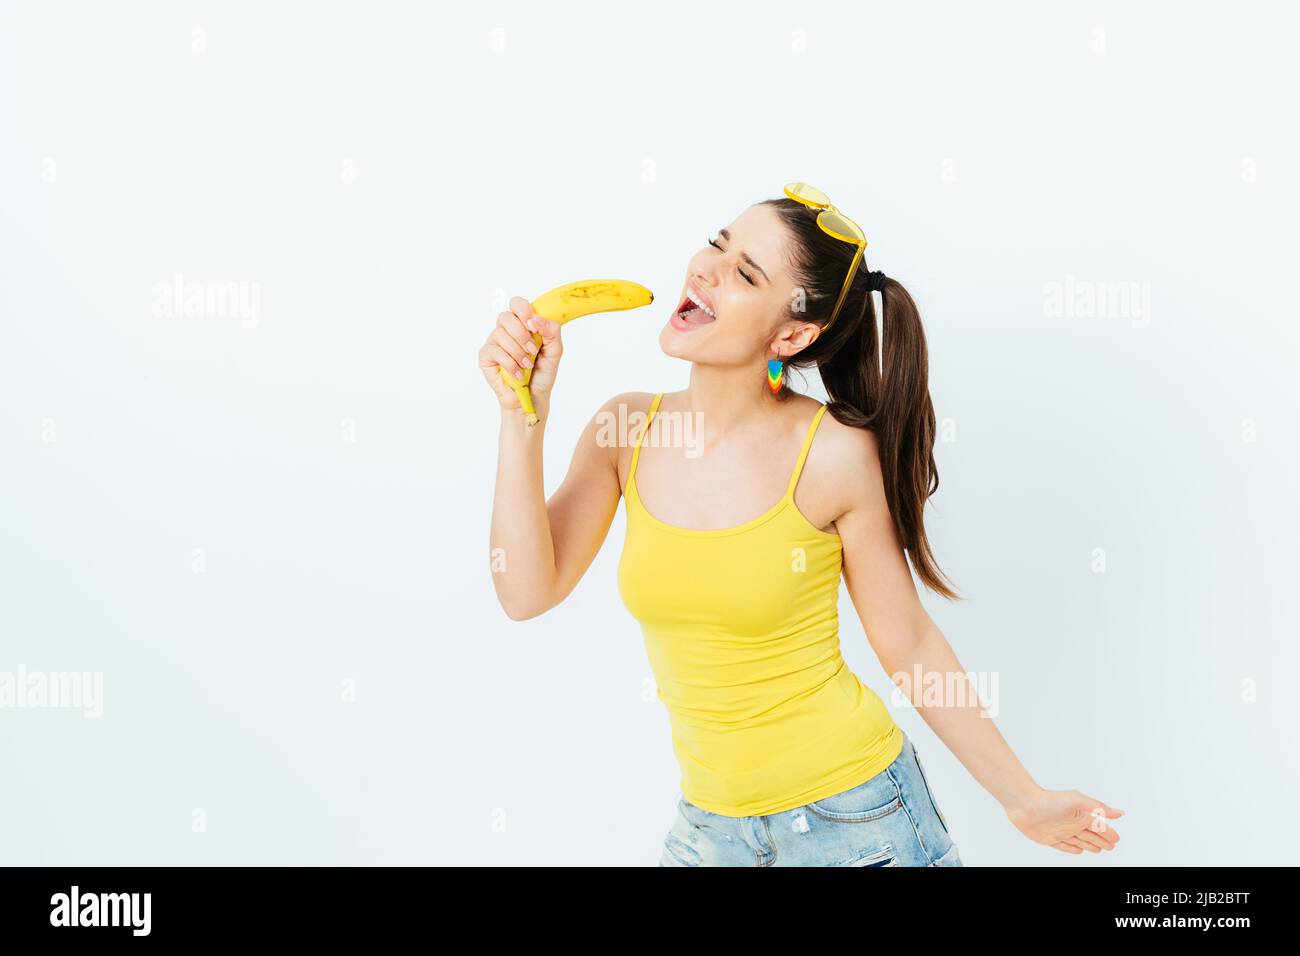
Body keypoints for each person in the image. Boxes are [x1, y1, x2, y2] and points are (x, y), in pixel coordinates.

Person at [480, 184, 1124, 866]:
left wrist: (1021, 796)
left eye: (745, 273)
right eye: (718, 245)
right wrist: (523, 418)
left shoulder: (833, 455)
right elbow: (525, 592)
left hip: (855, 819)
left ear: (791, 334)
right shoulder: (624, 430)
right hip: (710, 831)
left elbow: (907, 642)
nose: (706, 268)